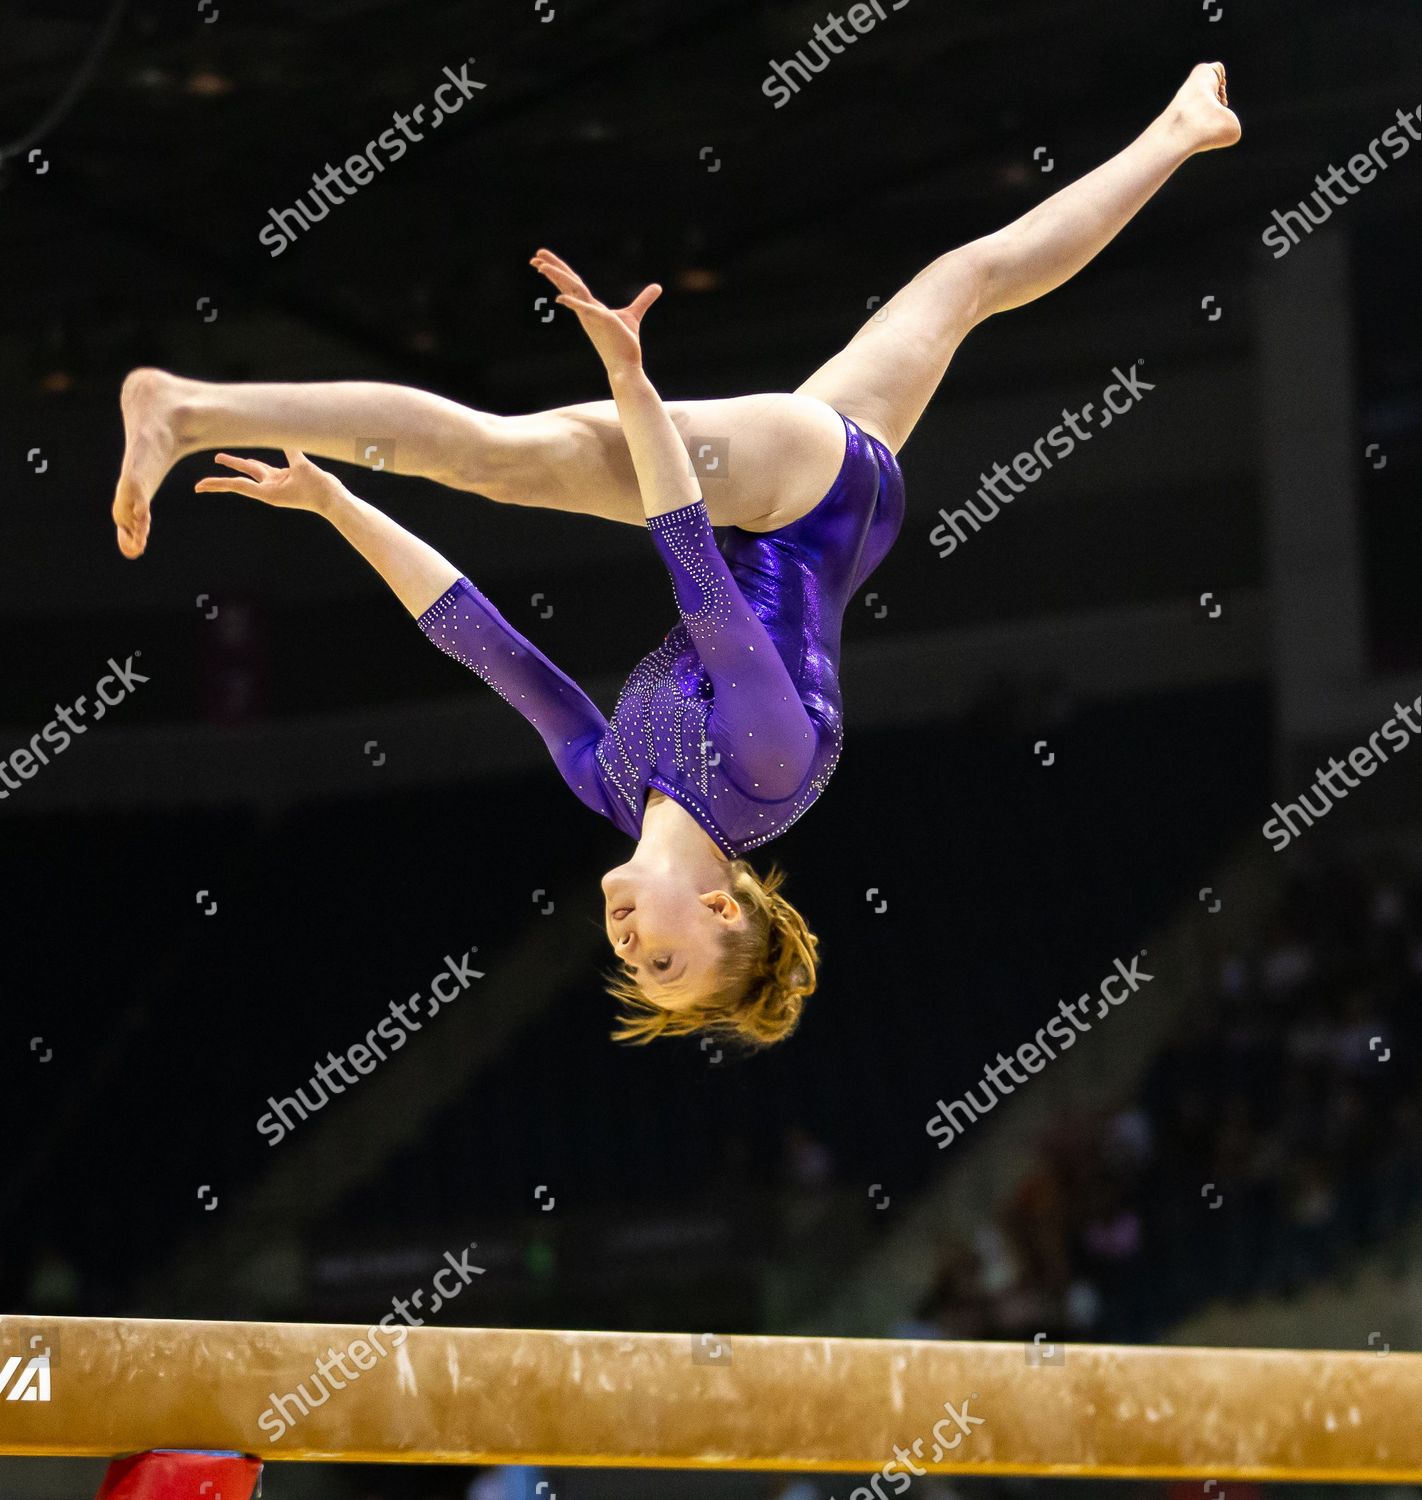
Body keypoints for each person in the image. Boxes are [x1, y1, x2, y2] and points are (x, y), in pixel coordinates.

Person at [110, 65, 1240, 1048]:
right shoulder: (765, 771)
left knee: (969, 282)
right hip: (798, 497)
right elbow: (692, 565)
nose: (628, 948)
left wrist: (336, 506)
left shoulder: (612, 787)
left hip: (816, 506)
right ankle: (191, 407)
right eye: (662, 961)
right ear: (724, 913)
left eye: (630, 969)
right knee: (495, 458)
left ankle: (1184, 128)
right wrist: (631, 384)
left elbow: (483, 642)